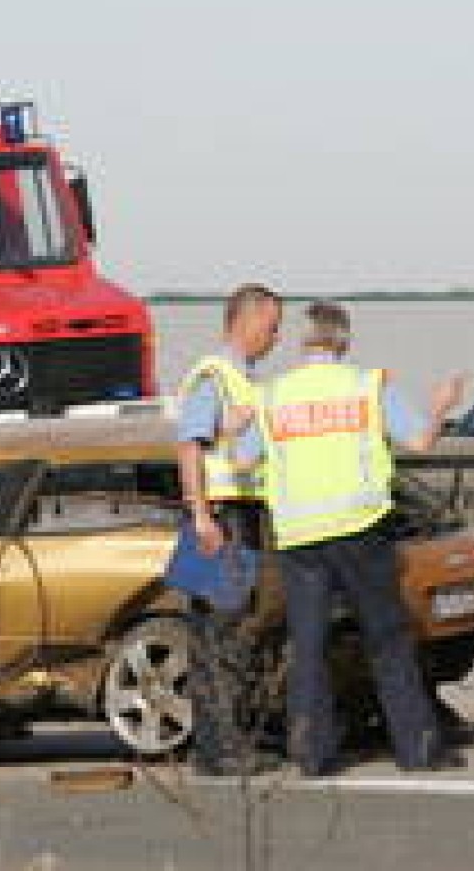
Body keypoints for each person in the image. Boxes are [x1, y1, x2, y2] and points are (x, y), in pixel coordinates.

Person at [236, 300, 464, 776]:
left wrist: (235, 426)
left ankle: (314, 755)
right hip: (361, 532)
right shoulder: (367, 386)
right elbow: (420, 440)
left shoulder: (274, 395)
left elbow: (241, 461)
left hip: (300, 538)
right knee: (388, 639)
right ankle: (416, 749)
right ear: (344, 341)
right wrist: (441, 405)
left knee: (309, 645)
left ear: (302, 343)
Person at [172, 282, 284, 776]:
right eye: (272, 326)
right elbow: (190, 445)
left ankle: (225, 743)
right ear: (246, 319)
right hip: (220, 517)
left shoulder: (247, 379)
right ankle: (221, 749)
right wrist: (200, 515)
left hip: (241, 513)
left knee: (234, 630)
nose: (276, 336)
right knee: (223, 634)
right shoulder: (214, 376)